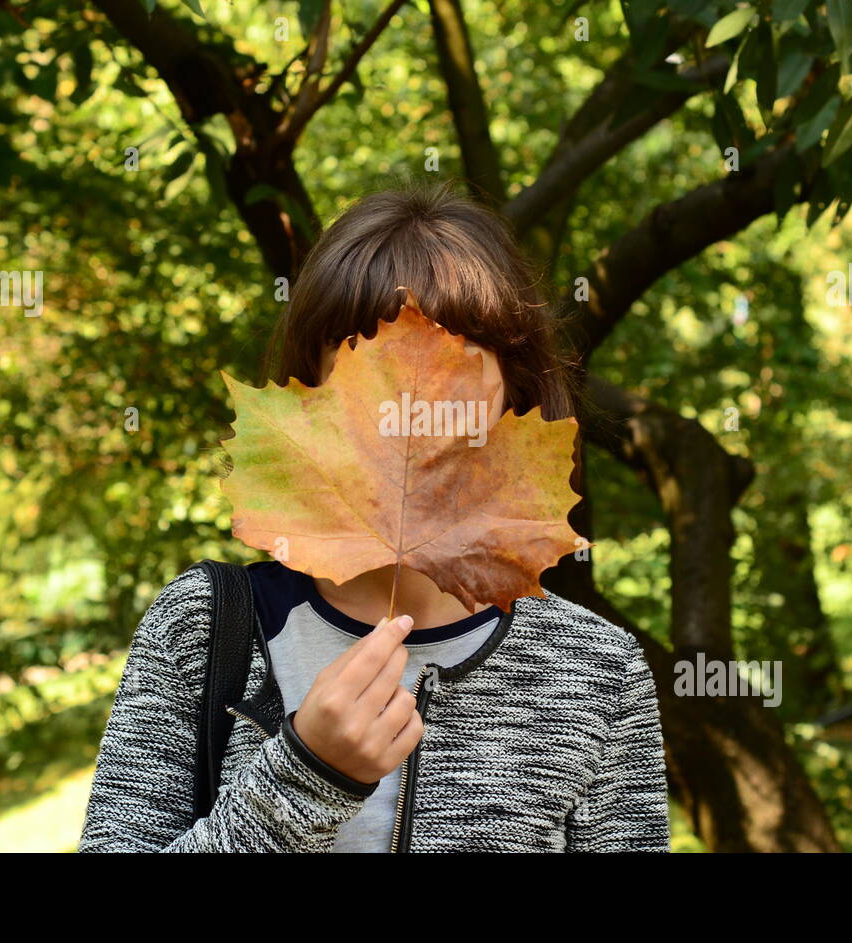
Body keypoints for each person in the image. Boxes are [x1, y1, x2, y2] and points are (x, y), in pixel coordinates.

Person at [78, 180, 670, 852]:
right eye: (372, 357)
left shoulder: (596, 669)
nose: (413, 400)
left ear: (516, 392)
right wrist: (306, 776)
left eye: (456, 359)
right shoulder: (205, 629)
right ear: (314, 388)